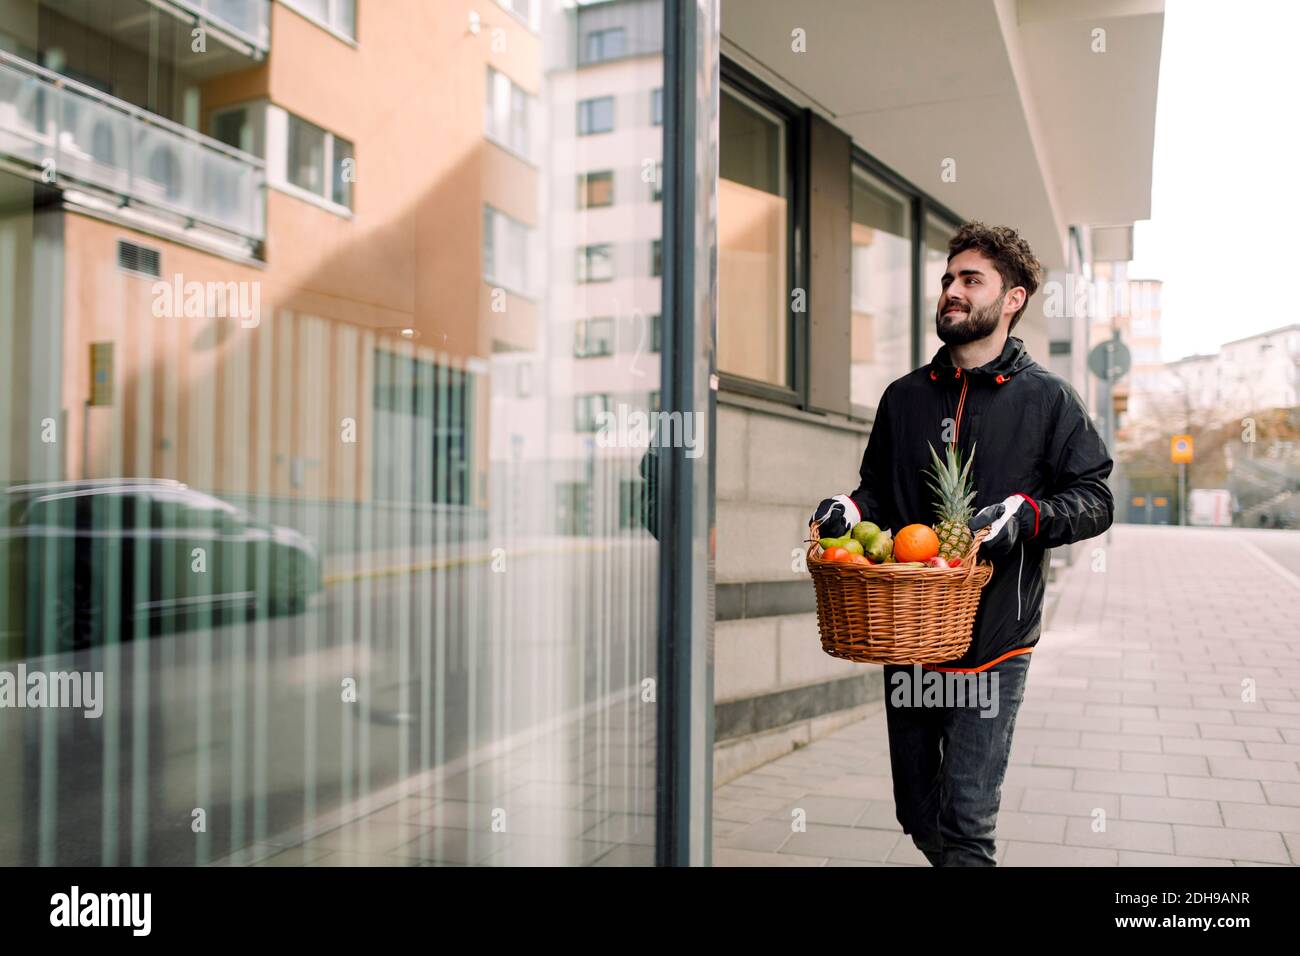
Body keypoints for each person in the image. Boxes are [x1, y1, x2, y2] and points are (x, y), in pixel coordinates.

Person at [810, 221, 1114, 866]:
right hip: (910, 636)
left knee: (968, 824)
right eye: (948, 278)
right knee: (918, 814)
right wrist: (848, 510)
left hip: (995, 643)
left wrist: (1027, 516)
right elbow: (877, 495)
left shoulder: (1050, 399)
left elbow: (1095, 498)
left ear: (1013, 299)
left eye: (970, 279)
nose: (952, 290)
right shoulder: (904, 397)